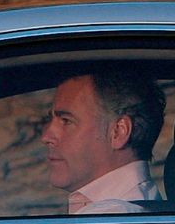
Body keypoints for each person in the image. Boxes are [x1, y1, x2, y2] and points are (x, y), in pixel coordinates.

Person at [40, 67, 163, 214]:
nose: (46, 137)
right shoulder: (136, 208)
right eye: (50, 119)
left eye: (66, 121)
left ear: (118, 132)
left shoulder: (111, 219)